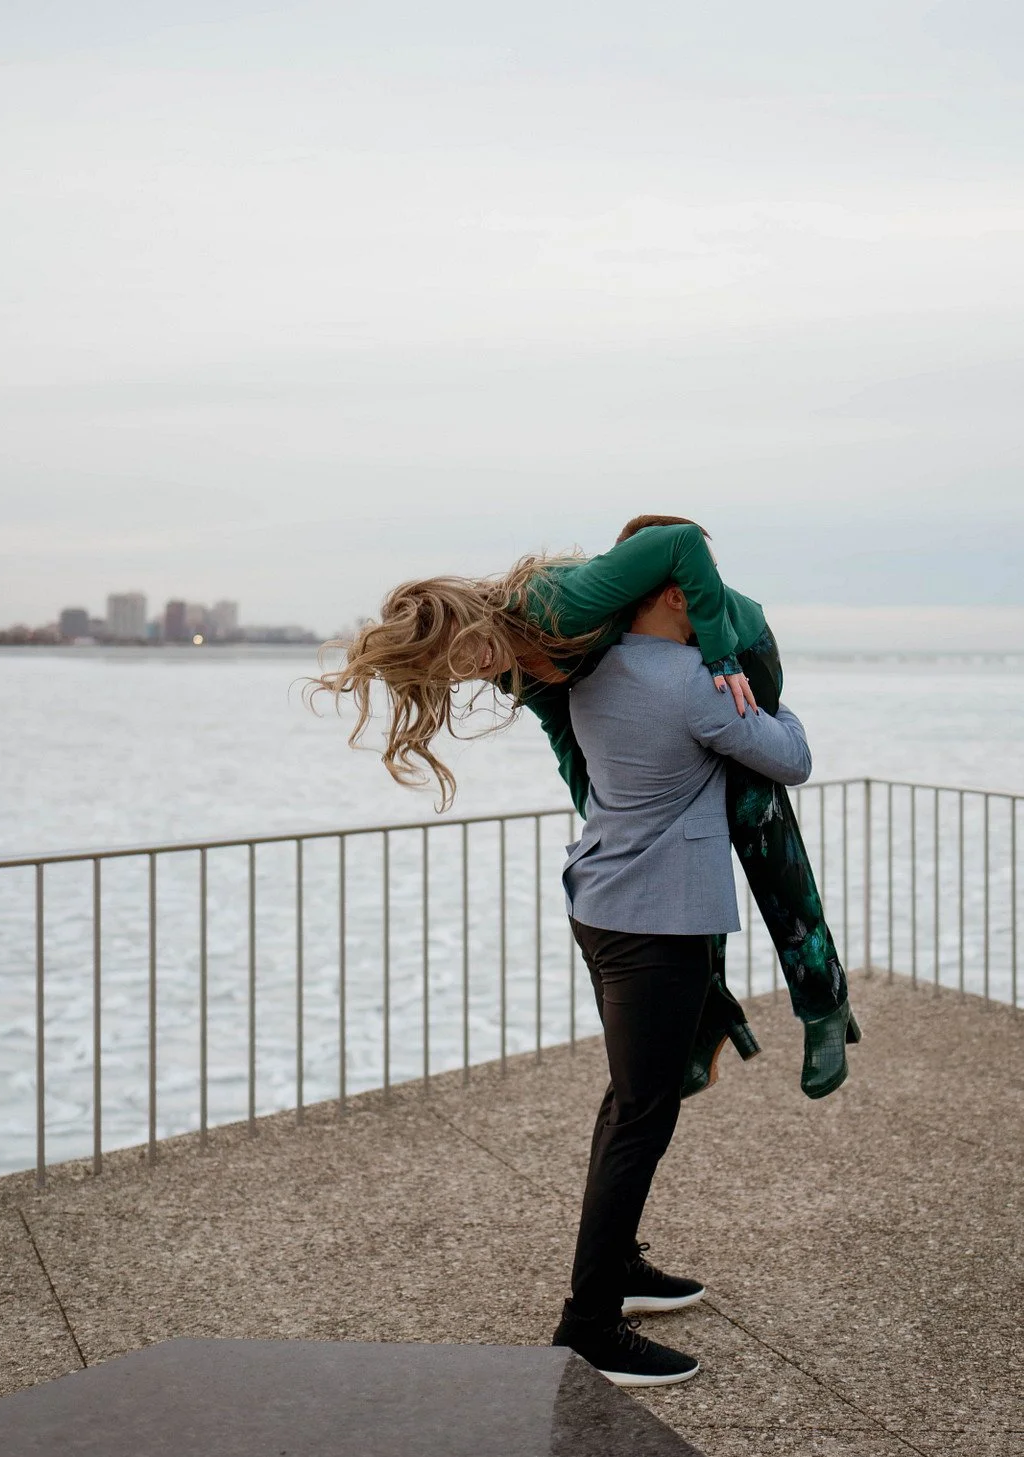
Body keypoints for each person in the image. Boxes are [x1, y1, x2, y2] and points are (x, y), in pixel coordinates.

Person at [313, 516, 859, 1096]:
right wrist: (604, 815)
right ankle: (710, 1010)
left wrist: (722, 656)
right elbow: (567, 738)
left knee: (754, 817)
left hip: (733, 645)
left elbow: (679, 544)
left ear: (470, 618)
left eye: (464, 651)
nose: (467, 669)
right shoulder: (511, 667)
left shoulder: (554, 602)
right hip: (680, 682)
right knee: (692, 829)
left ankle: (822, 999)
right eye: (452, 671)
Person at [551, 577, 813, 1385]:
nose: (714, 610)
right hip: (657, 926)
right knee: (641, 1118)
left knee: (627, 1102)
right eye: (701, 593)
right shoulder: (692, 687)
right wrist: (773, 697)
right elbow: (792, 757)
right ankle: (587, 1326)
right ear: (670, 595)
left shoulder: (588, 671)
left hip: (601, 906)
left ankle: (618, 1270)